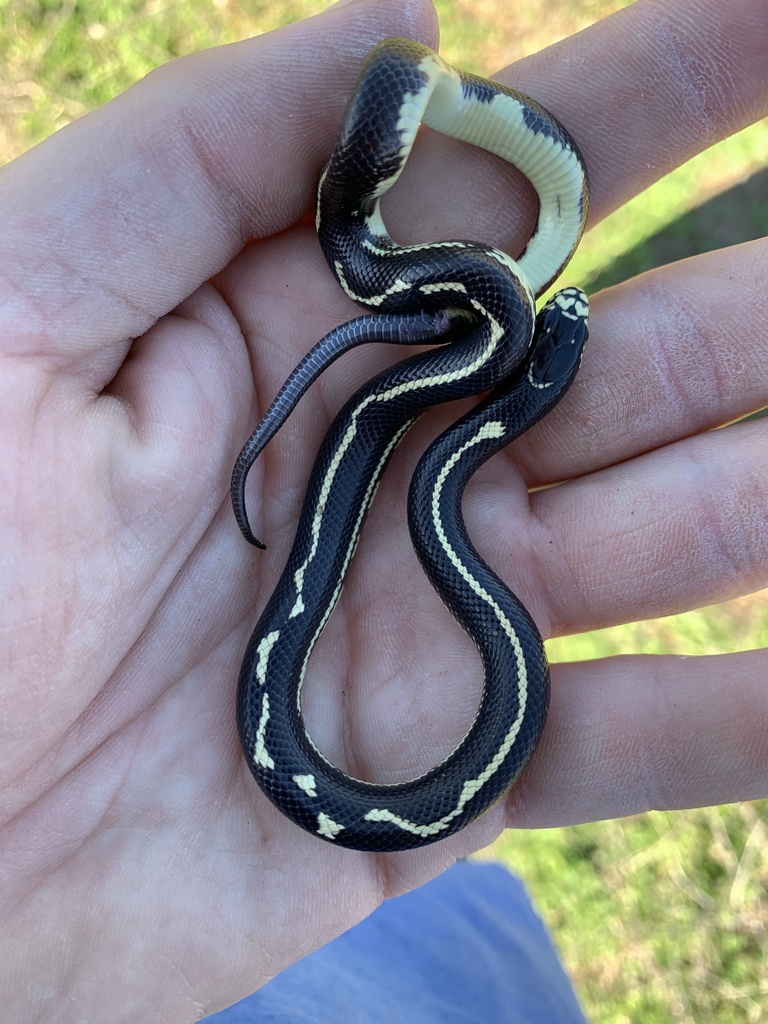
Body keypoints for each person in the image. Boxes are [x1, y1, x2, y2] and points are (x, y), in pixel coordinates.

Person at [1, 0, 766, 1020]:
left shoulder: (459, 393)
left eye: (555, 327)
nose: (558, 311)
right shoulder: (466, 363)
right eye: (554, 322)